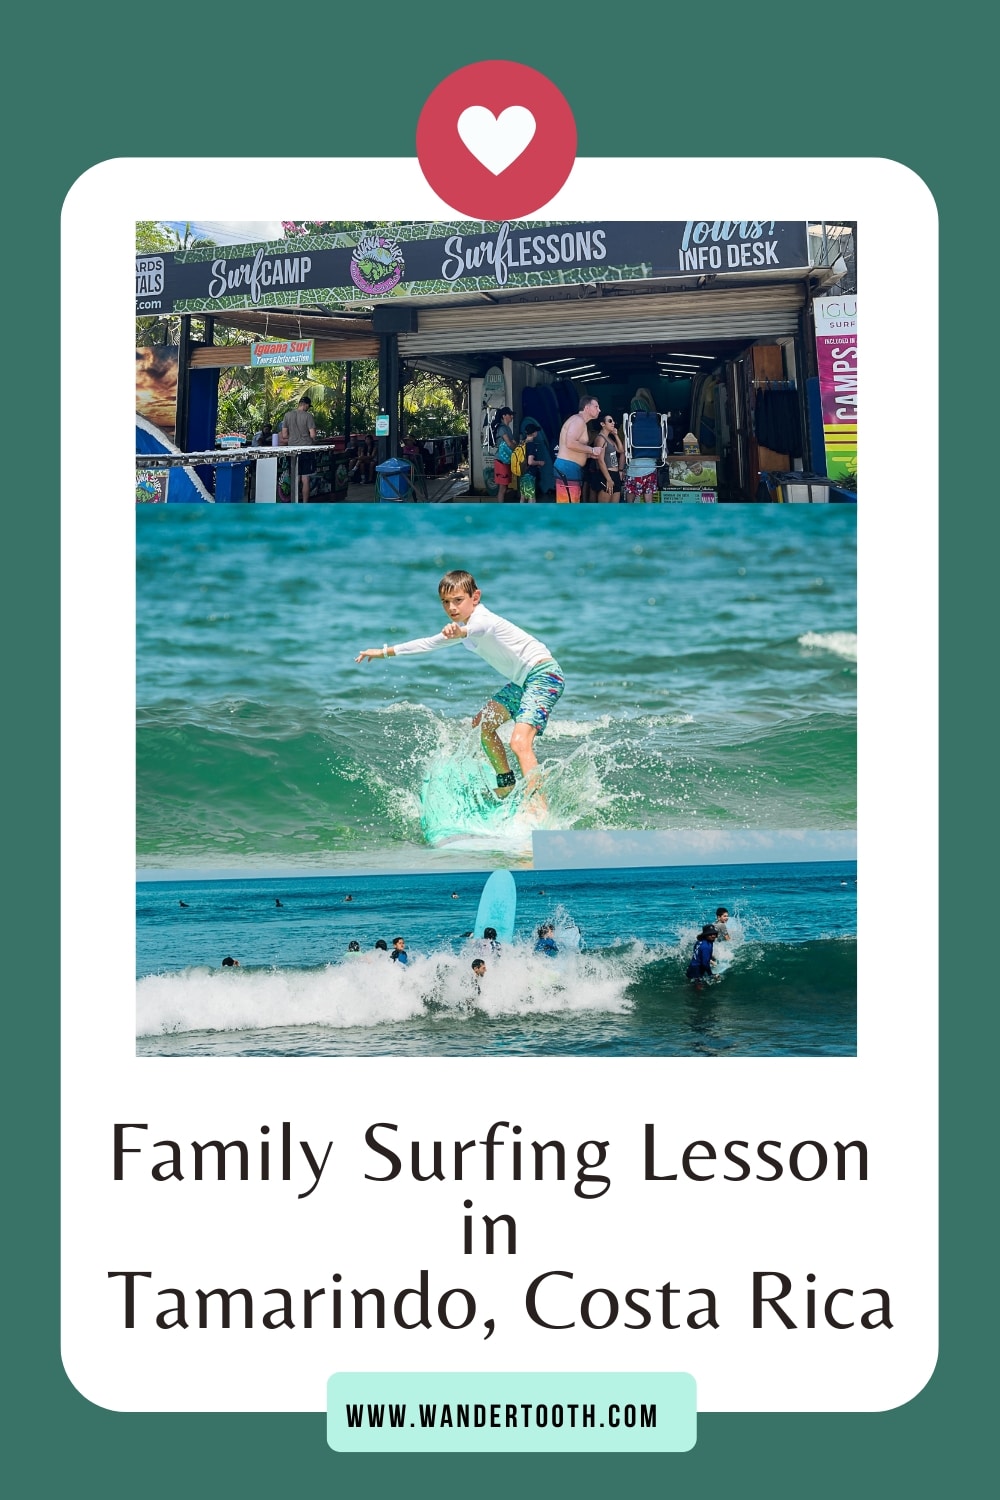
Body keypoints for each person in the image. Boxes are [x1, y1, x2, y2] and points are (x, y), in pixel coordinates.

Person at [355, 569, 564, 807]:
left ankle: (538, 806)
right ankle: (506, 784)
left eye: (458, 600)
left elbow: (476, 629)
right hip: (522, 681)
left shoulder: (482, 620)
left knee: (519, 742)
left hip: (544, 675)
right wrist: (383, 652)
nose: (452, 607)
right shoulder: (463, 626)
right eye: (446, 602)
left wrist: (460, 631)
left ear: (475, 597)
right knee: (482, 726)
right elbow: (426, 644)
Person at [554, 396, 604, 503]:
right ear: (587, 408)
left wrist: (588, 455)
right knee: (568, 504)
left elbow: (574, 448)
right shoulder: (578, 421)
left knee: (572, 501)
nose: (599, 410)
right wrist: (592, 450)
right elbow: (570, 443)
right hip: (567, 467)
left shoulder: (579, 421)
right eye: (596, 406)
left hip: (570, 467)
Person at [281, 396, 318, 502]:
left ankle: (294, 502)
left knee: (295, 477)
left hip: (292, 449)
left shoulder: (287, 415)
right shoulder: (308, 416)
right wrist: (315, 440)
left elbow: (284, 435)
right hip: (306, 449)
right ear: (306, 405)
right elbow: (312, 435)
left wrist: (293, 438)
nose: (308, 408)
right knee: (305, 478)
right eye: (308, 406)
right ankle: (305, 504)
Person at [493, 407, 516, 504]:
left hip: (506, 460)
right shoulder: (502, 428)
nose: (512, 416)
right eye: (509, 414)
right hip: (501, 461)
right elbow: (510, 444)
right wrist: (516, 447)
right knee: (502, 488)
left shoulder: (507, 428)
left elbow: (512, 443)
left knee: (505, 486)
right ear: (504, 416)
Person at [518, 419, 543, 503]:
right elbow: (530, 462)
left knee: (523, 496)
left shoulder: (522, 443)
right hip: (529, 474)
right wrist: (539, 462)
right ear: (534, 433)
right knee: (531, 498)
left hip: (522, 472)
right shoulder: (531, 445)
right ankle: (532, 515)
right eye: (536, 431)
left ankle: (521, 515)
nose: (537, 433)